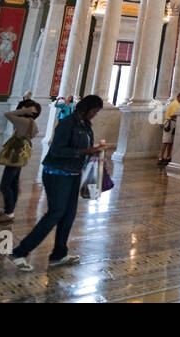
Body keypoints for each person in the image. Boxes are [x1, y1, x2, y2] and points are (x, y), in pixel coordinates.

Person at [9, 95, 107, 271]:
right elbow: (57, 150)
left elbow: (84, 148)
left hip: (74, 173)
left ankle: (59, 254)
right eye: (94, 111)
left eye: (97, 112)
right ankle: (20, 252)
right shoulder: (67, 123)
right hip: (57, 174)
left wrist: (94, 153)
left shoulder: (86, 125)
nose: (95, 114)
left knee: (68, 215)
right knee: (55, 213)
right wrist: (84, 151)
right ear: (86, 108)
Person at [0, 98, 42, 223]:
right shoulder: (31, 122)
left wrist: (26, 110)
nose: (21, 109)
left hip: (15, 155)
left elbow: (7, 114)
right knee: (13, 183)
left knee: (5, 185)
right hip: (20, 155)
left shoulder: (23, 121)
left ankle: (9, 213)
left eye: (24, 107)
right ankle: (9, 211)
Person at [159, 91, 180, 164]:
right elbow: (172, 115)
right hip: (170, 123)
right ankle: (161, 157)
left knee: (170, 142)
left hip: (173, 123)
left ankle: (168, 156)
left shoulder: (178, 104)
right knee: (166, 141)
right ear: (179, 97)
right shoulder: (175, 104)